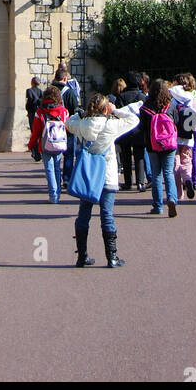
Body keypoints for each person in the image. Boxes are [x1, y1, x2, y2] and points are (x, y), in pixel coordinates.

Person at [66, 93, 139, 268]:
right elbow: (133, 120)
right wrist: (116, 110)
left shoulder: (82, 125)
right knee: (107, 215)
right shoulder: (111, 125)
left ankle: (82, 256)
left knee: (84, 214)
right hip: (107, 176)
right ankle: (112, 257)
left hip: (88, 175)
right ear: (105, 108)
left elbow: (68, 122)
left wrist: (80, 114)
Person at [140, 79, 180, 217]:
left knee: (156, 175)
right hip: (169, 145)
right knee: (168, 173)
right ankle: (172, 198)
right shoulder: (170, 106)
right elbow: (177, 122)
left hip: (152, 145)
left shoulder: (146, 107)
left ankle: (158, 206)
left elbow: (142, 128)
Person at [167, 72, 196, 199]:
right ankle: (188, 180)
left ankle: (179, 194)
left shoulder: (172, 99)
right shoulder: (193, 99)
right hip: (188, 137)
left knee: (175, 164)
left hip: (175, 137)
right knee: (186, 161)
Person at [28, 84, 69, 201]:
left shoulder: (40, 111)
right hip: (59, 143)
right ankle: (57, 193)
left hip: (45, 143)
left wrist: (31, 145)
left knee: (49, 169)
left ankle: (53, 195)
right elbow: (66, 127)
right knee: (57, 168)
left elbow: (36, 132)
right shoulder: (63, 111)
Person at [115, 71, 148, 190]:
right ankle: (140, 182)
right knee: (139, 156)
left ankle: (128, 182)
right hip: (139, 130)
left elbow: (117, 114)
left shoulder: (121, 97)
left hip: (125, 130)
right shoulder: (142, 97)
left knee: (126, 156)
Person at [53, 67, 79, 182]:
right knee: (68, 155)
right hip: (67, 127)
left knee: (54, 155)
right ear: (65, 78)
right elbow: (75, 109)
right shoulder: (69, 92)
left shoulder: (50, 91)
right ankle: (67, 178)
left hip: (52, 127)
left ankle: (55, 178)